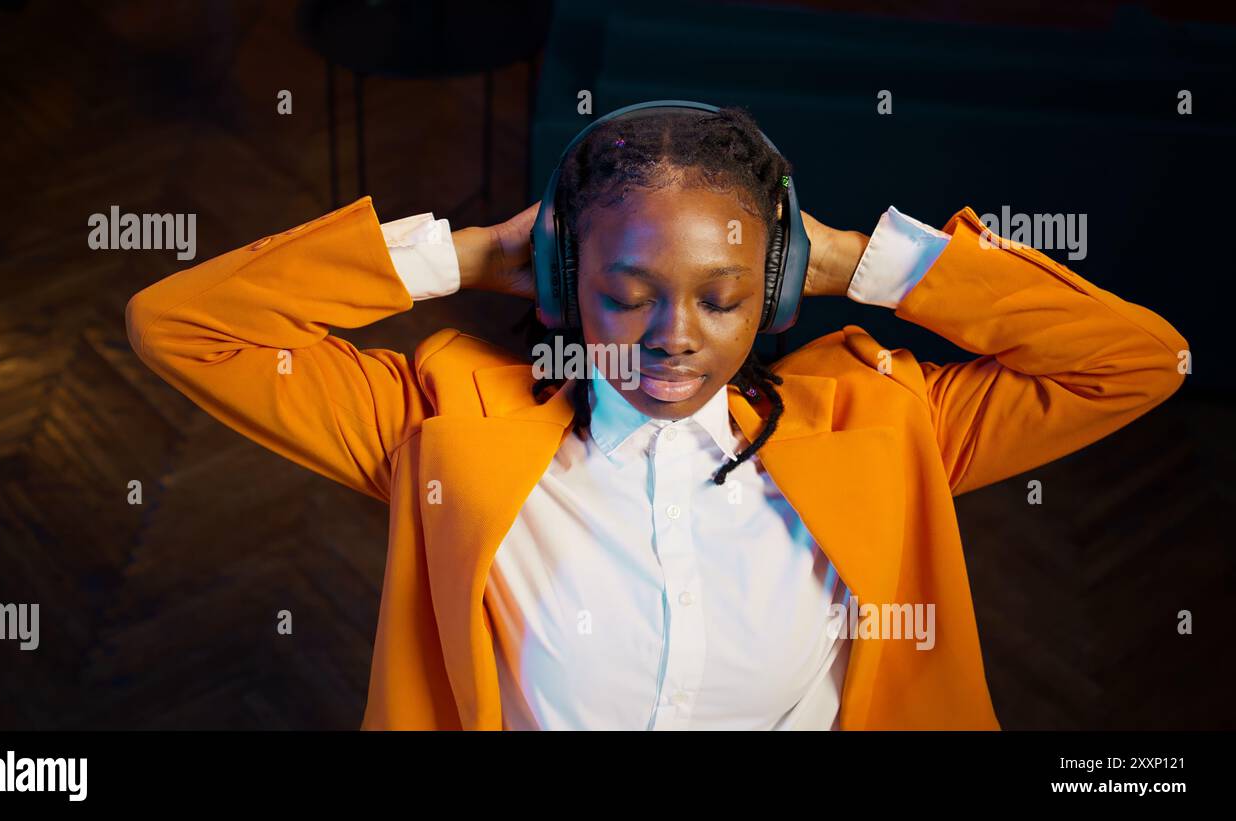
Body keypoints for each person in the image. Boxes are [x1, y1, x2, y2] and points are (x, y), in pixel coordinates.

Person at [125, 106, 1187, 730]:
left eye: (724, 295)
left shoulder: (887, 422)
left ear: (771, 293)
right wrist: (466, 252)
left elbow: (1137, 360)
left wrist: (854, 259)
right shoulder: (434, 431)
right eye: (627, 292)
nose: (674, 334)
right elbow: (184, 325)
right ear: (561, 285)